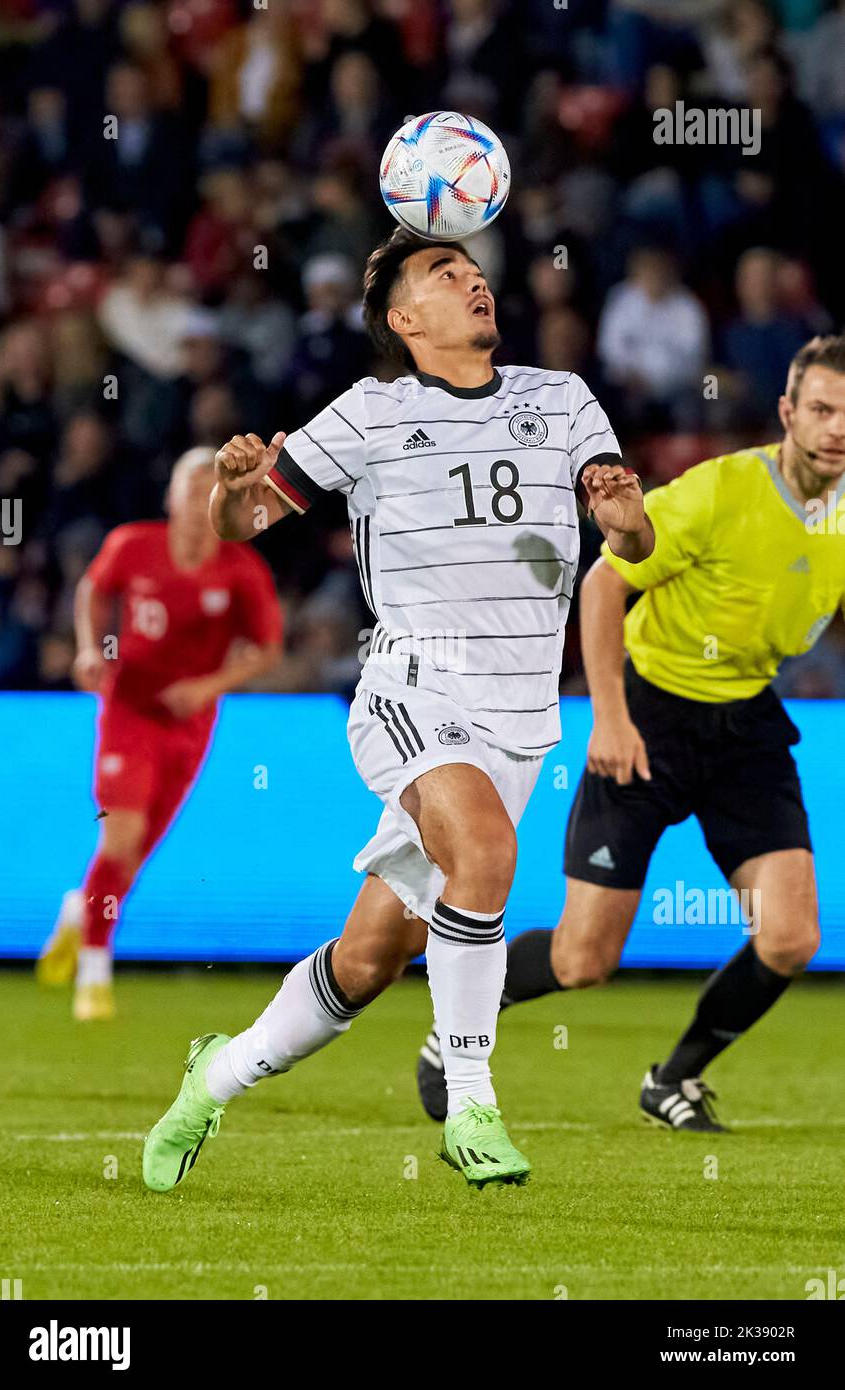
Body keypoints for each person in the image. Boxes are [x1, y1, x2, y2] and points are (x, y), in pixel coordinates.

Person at [142, 227, 653, 1195]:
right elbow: (243, 524)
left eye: (471, 270)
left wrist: (624, 515)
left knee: (371, 955)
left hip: (517, 713)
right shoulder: (372, 412)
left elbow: (627, 539)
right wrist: (231, 487)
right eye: (441, 275)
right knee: (488, 856)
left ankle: (213, 1074)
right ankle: (470, 1101)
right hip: (410, 688)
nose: (471, 282)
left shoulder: (563, 398)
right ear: (402, 320)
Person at [417, 335, 845, 1132]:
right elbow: (605, 581)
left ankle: (673, 1079)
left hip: (746, 722)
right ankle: (461, 1016)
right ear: (788, 413)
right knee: (585, 960)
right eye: (821, 408)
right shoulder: (721, 491)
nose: (836, 427)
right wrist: (609, 718)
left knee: (790, 936)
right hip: (648, 713)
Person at [36, 446, 283, 1019]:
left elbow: (268, 649)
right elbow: (93, 590)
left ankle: (81, 909)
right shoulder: (133, 545)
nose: (199, 502)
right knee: (119, 840)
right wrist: (89, 649)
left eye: (209, 490)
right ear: (170, 497)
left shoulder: (241, 568)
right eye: (190, 489)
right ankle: (94, 973)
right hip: (130, 709)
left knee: (137, 850)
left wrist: (211, 685)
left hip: (191, 724)